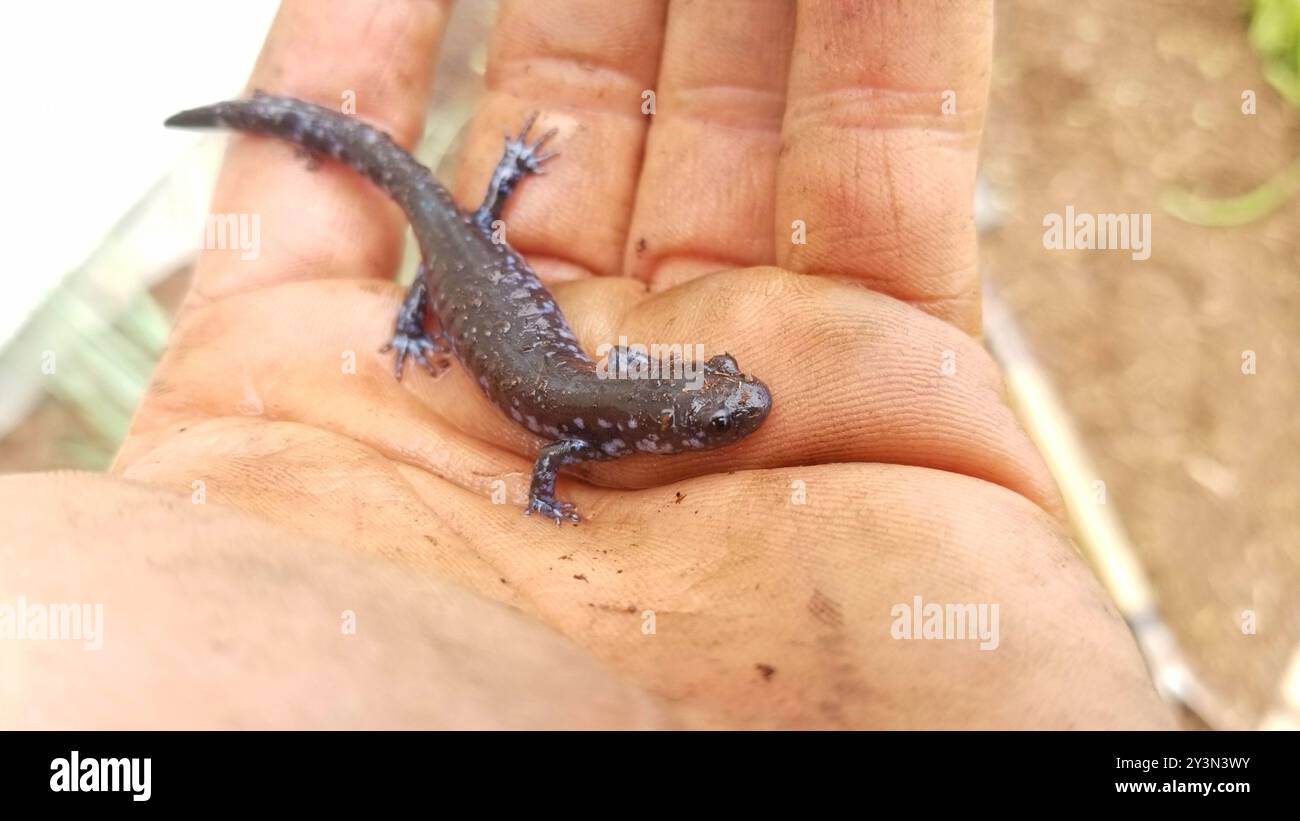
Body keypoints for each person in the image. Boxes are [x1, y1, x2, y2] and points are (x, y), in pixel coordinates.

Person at [0, 0, 1172, 728]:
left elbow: (568, 445)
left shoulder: (603, 418)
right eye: (720, 413)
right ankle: (347, 190)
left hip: (482, 266)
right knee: (446, 228)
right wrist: (489, 417)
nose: (734, 412)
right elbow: (551, 457)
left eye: (717, 408)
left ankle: (428, 221)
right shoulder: (592, 422)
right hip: (468, 268)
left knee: (457, 227)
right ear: (662, 424)